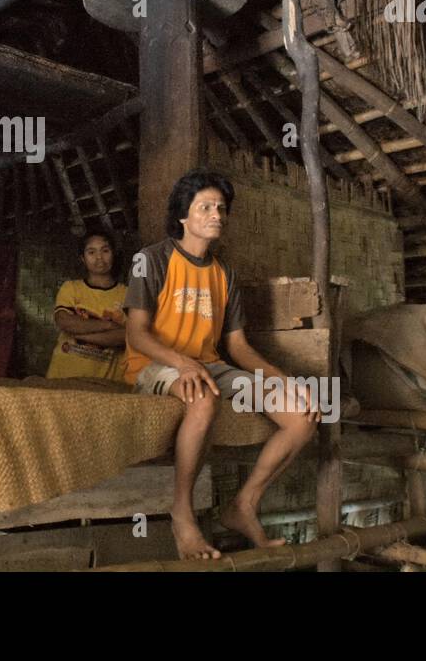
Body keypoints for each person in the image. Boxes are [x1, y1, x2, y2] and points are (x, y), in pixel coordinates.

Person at [124, 168, 319, 560]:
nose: (217, 214)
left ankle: (243, 505)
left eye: (221, 208)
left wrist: (287, 382)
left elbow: (239, 347)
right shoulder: (151, 259)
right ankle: (182, 513)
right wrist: (182, 363)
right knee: (202, 398)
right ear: (183, 215)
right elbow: (136, 334)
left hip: (211, 366)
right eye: (206, 207)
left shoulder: (223, 274)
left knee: (302, 415)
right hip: (156, 364)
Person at [46, 230, 128, 383]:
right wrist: (108, 325)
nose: (99, 257)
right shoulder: (71, 288)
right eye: (91, 252)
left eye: (105, 250)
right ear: (82, 258)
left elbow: (125, 337)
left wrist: (79, 332)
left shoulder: (127, 294)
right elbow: (64, 321)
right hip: (62, 380)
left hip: (106, 384)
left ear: (113, 254)